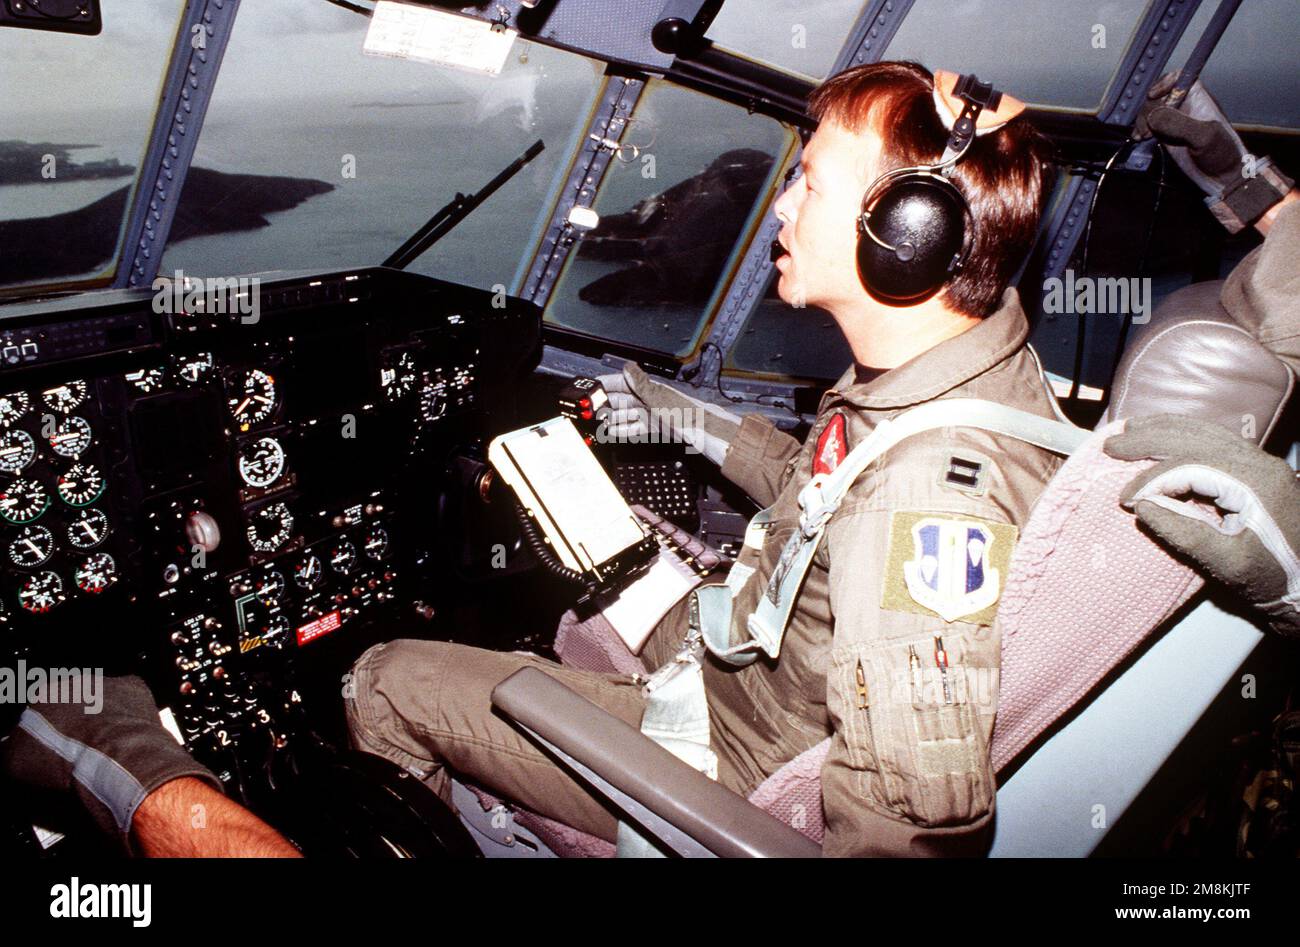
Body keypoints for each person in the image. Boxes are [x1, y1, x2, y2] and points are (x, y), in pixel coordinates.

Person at [3, 68, 1296, 858]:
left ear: (902, 238)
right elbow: (818, 479)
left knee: (386, 670)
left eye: (815, 184)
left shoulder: (931, 507)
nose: (783, 205)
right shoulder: (975, 400)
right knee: (578, 533)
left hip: (730, 757)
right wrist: (675, 418)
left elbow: (909, 835)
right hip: (751, 674)